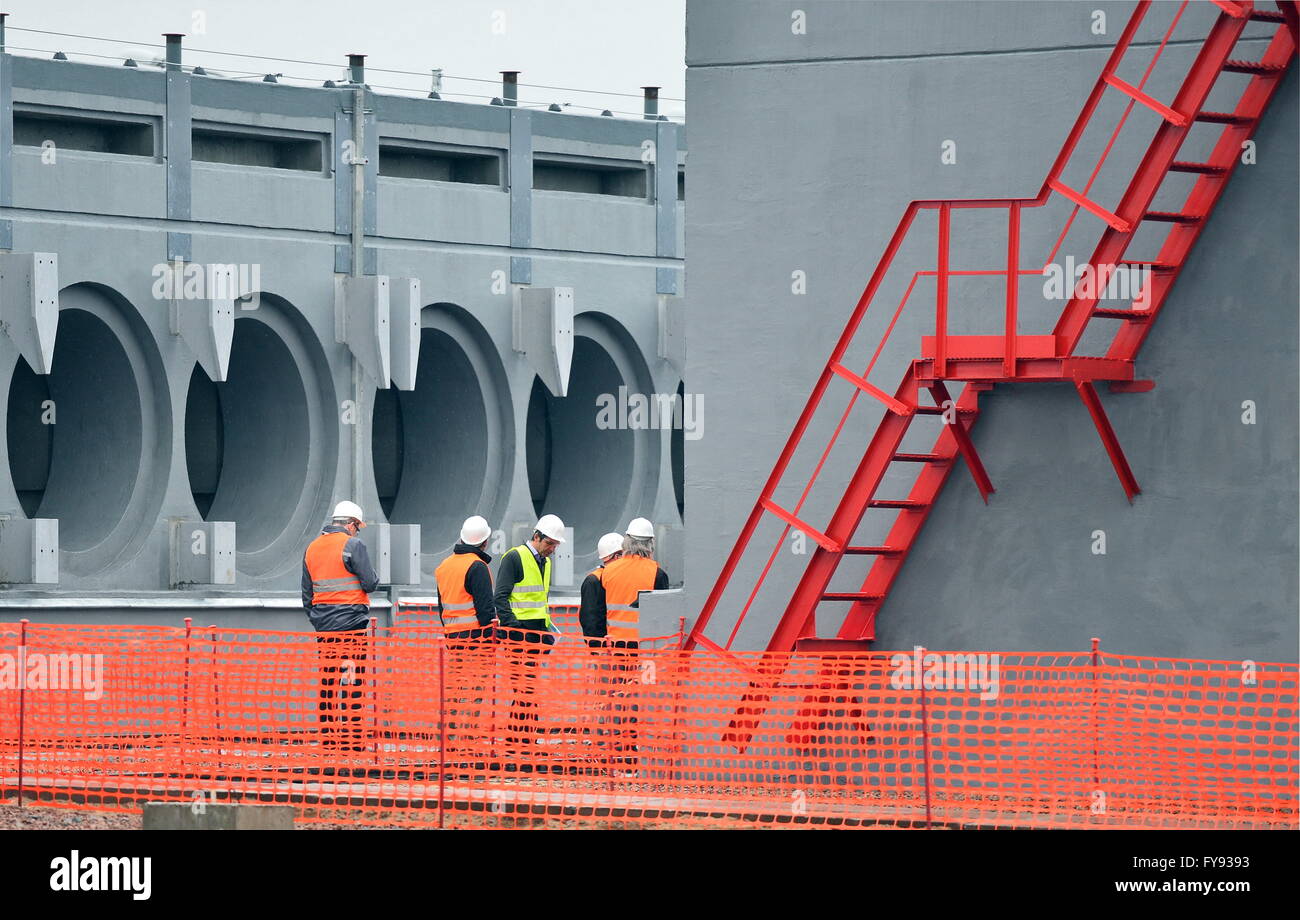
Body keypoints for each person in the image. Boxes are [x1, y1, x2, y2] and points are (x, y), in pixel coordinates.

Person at [579, 518, 670, 772]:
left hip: (614, 651)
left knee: (613, 702)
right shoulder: (657, 573)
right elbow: (663, 618)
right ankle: (641, 757)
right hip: (645, 653)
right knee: (640, 702)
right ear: (650, 544)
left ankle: (618, 756)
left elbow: (594, 616)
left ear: (627, 542)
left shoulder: (607, 573)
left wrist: (597, 648)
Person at [301, 500, 380, 757]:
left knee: (328, 681)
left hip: (325, 629)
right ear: (351, 524)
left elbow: (307, 595)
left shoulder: (311, 548)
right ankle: (354, 740)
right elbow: (370, 583)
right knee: (353, 681)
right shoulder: (353, 545)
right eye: (358, 527)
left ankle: (328, 740)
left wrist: (319, 619)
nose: (358, 532)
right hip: (353, 626)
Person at [493, 514, 565, 740]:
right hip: (518, 636)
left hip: (537, 636)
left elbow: (539, 602)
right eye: (549, 543)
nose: (552, 549)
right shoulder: (514, 557)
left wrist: (546, 634)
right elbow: (501, 598)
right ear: (536, 536)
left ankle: (522, 738)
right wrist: (514, 629)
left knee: (528, 689)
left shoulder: (546, 562)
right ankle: (520, 739)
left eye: (555, 545)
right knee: (524, 689)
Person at [434, 515, 496, 641]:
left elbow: (442, 608)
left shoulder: (443, 566)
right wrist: (491, 638)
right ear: (485, 542)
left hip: (452, 638)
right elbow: (485, 609)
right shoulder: (477, 566)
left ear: (462, 538)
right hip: (476, 639)